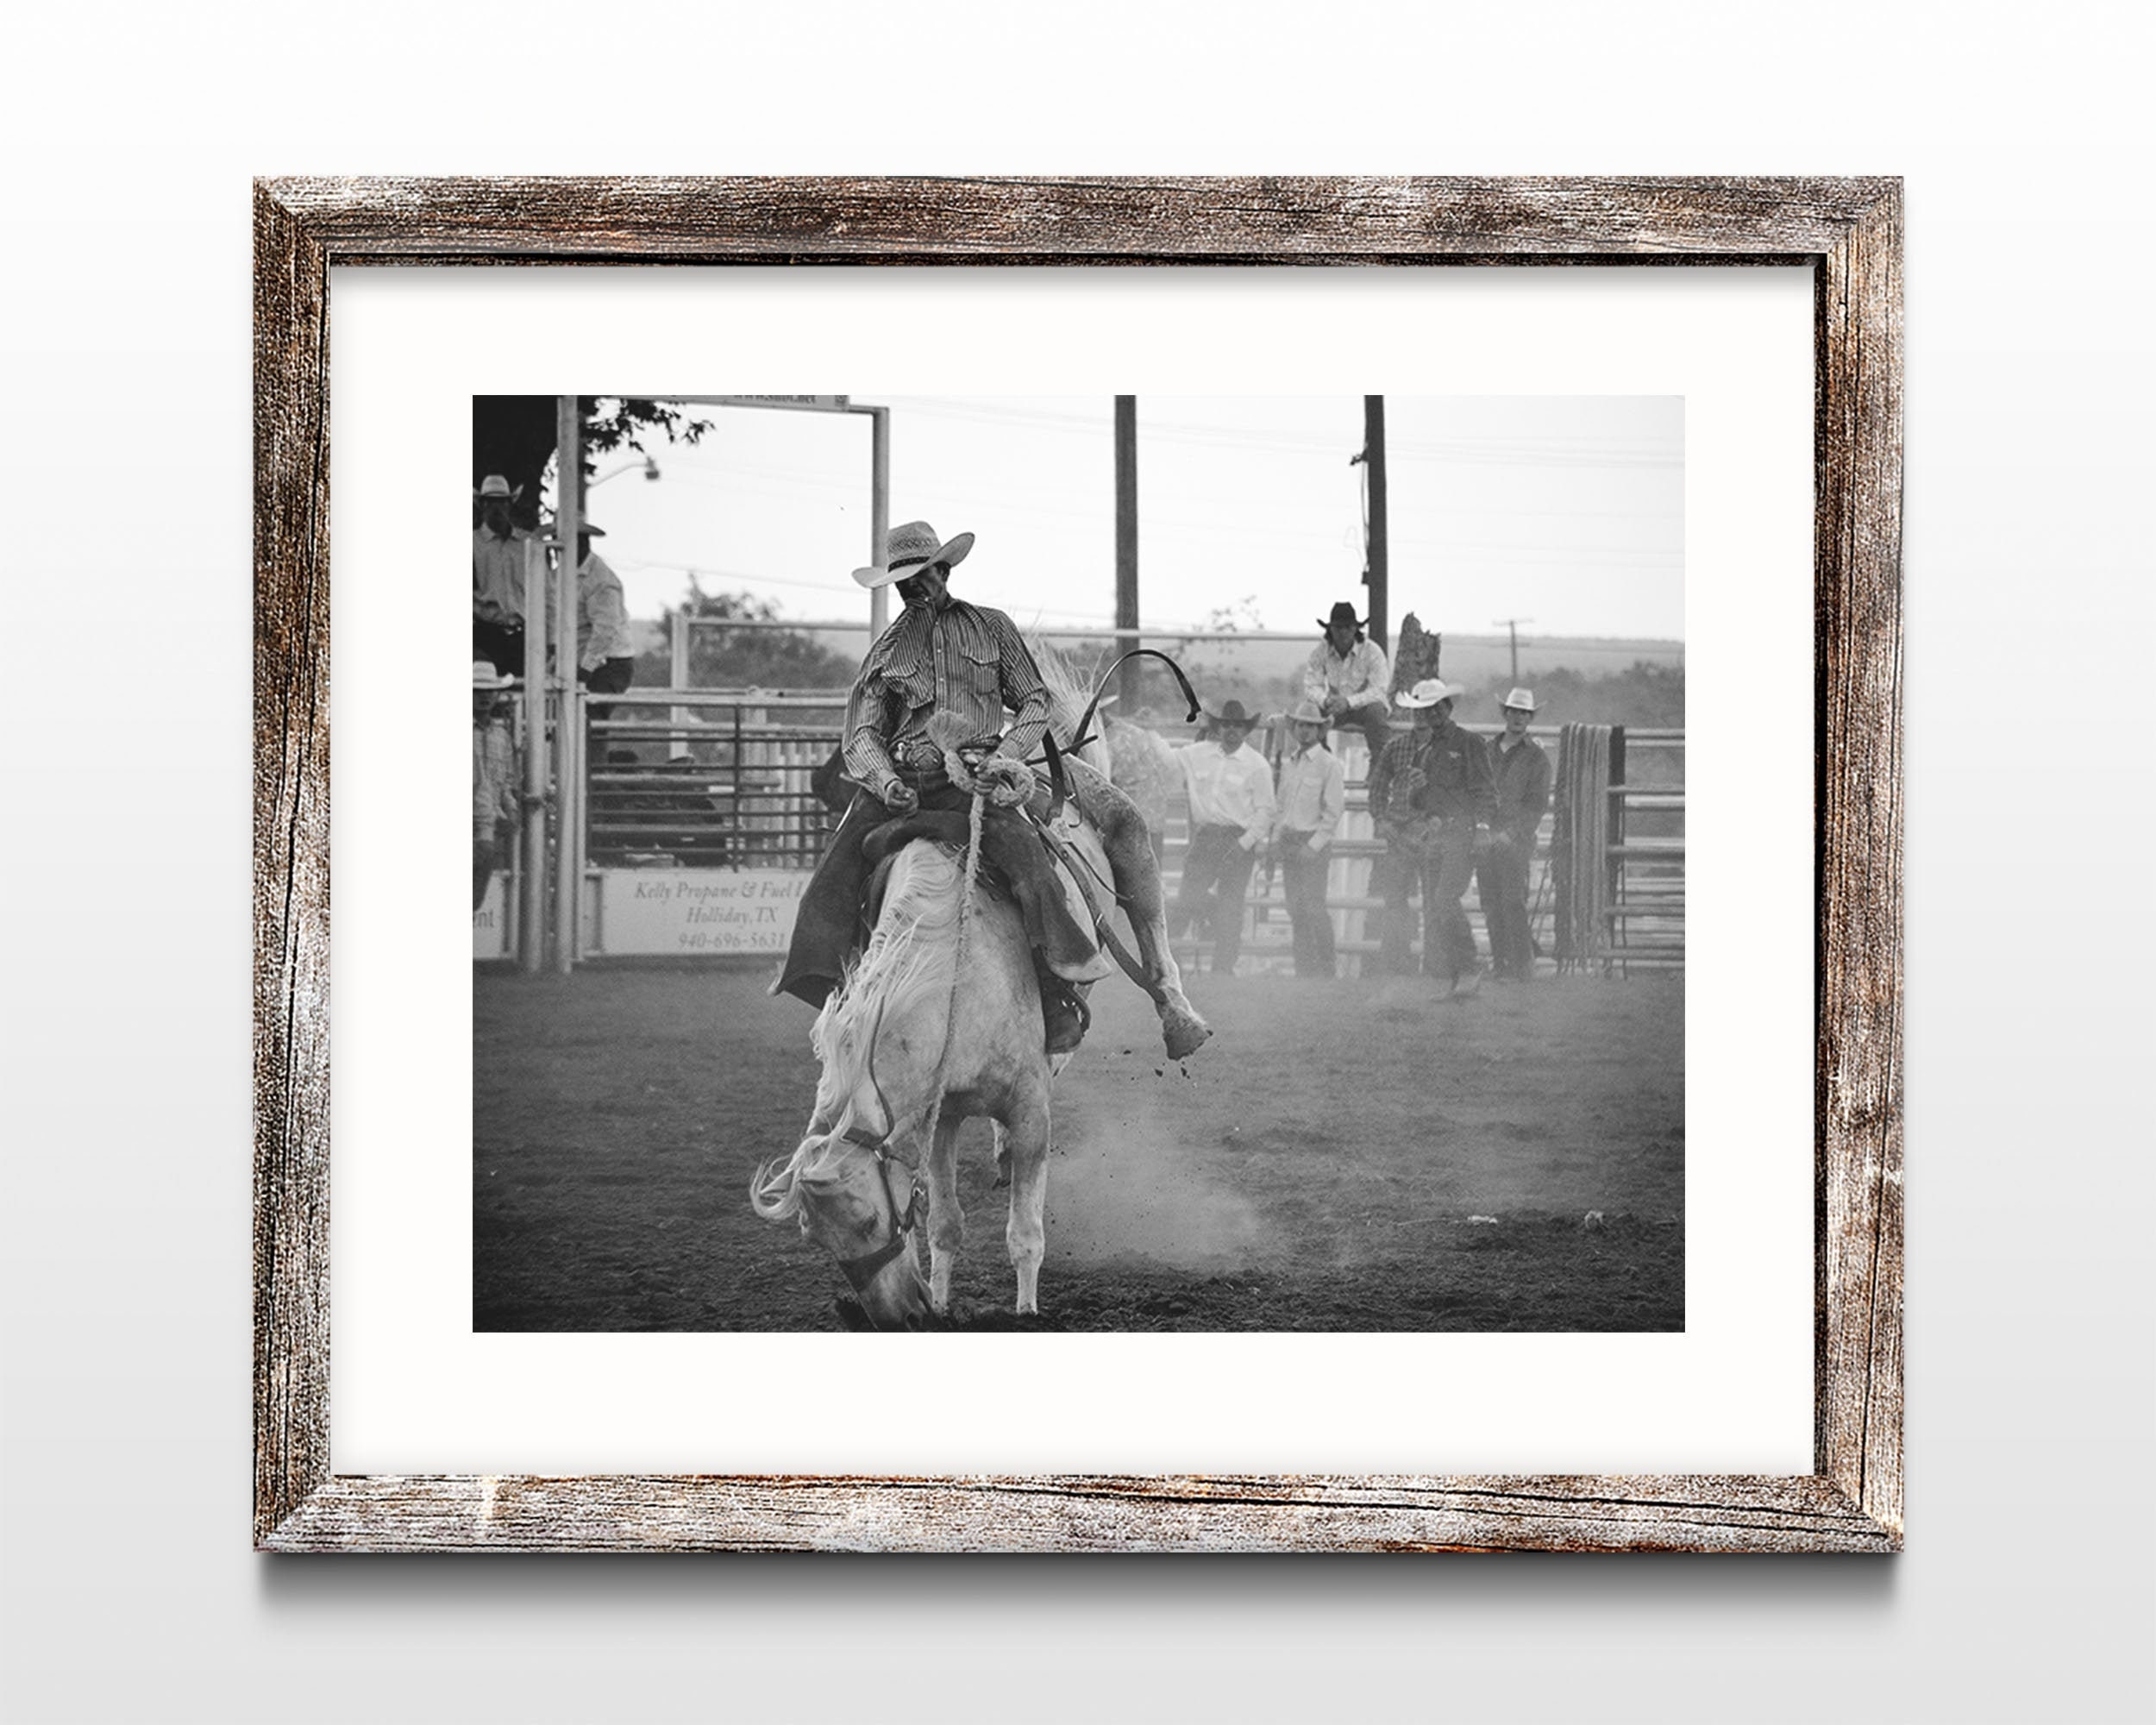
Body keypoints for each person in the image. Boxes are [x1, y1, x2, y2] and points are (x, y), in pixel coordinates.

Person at [774, 520, 1109, 1053]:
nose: (912, 589)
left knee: (1027, 861)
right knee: (832, 878)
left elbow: (1034, 702)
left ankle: (1053, 990)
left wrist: (1004, 758)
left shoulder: (992, 628)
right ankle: (844, 991)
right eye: (902, 581)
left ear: (943, 570)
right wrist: (885, 781)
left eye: (919, 576)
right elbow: (862, 731)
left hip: (975, 776)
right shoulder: (885, 651)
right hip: (903, 778)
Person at [1365, 677, 1495, 993]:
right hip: (1436, 834)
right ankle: (1456, 977)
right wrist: (1420, 794)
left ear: (1447, 707)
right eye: (1424, 708)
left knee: (1444, 899)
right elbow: (1419, 801)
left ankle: (1469, 966)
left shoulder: (1470, 743)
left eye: (1436, 707)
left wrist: (1482, 829)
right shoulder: (1426, 752)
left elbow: (1485, 790)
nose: (1430, 714)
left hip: (1461, 833)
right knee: (1437, 906)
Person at [1169, 699, 1276, 975]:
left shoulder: (1257, 765)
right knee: (1186, 901)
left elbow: (1266, 812)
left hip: (1237, 839)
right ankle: (1169, 966)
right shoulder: (1199, 753)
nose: (1231, 730)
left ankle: (1222, 971)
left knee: (1231, 907)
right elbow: (1169, 759)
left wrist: (1244, 844)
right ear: (1218, 727)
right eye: (1226, 724)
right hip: (1206, 837)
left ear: (1245, 730)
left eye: (1237, 726)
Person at [1479, 687, 1552, 982]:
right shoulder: (1486, 751)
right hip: (1485, 838)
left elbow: (1536, 805)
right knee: (1490, 903)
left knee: (1512, 900)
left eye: (1525, 713)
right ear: (1505, 714)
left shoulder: (1537, 758)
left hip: (1516, 841)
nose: (1519, 717)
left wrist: (1511, 833)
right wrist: (1482, 827)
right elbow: (1477, 790)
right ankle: (1500, 964)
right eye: (1514, 711)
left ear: (1530, 718)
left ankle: (1522, 965)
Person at [1269, 699, 1346, 978]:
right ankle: (1304, 969)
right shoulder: (1291, 763)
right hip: (1290, 840)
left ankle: (1327, 969)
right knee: (1295, 908)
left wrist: (1314, 846)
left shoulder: (1329, 765)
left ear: (1320, 731)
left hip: (1312, 841)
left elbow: (1334, 811)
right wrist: (1278, 838)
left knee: (1314, 907)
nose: (1305, 731)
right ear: (1295, 728)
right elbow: (1282, 806)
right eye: (1301, 725)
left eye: (1311, 726)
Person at [561, 519, 636, 720]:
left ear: (583, 543)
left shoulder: (601, 580)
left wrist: (585, 670)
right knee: (578, 719)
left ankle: (592, 752)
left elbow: (605, 630)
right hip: (589, 662)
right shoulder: (569, 574)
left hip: (607, 664)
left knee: (589, 718)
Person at [1302, 600, 1394, 764]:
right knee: (1309, 713)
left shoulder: (1372, 650)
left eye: (1348, 627)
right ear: (1330, 629)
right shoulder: (1320, 651)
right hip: (1334, 706)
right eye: (1338, 628)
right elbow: (1310, 686)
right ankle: (1320, 763)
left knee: (1377, 712)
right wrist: (1325, 700)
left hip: (1365, 708)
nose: (1344, 632)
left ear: (1356, 628)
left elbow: (1379, 689)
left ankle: (1380, 768)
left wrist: (1349, 702)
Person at [472, 660, 520, 913]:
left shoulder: (501, 736)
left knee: (474, 901)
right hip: (479, 827)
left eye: (489, 691)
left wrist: (510, 808)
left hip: (487, 829)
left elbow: (506, 782)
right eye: (478, 691)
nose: (485, 696)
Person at [472, 475, 532, 675]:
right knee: (484, 692)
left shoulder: (528, 544)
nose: (496, 508)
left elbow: (546, 594)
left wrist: (550, 641)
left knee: (523, 696)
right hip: (484, 634)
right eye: (490, 503)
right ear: (482, 506)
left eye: (501, 502)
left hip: (524, 636)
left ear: (509, 505)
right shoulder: (471, 544)